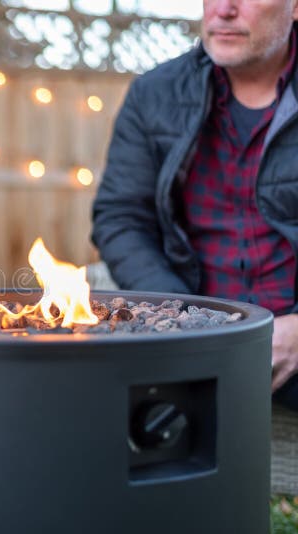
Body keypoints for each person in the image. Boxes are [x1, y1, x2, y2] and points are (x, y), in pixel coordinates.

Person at [92, 0, 298, 396]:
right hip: (185, 347)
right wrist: (183, 318)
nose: (224, 9)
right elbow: (120, 218)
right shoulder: (155, 94)